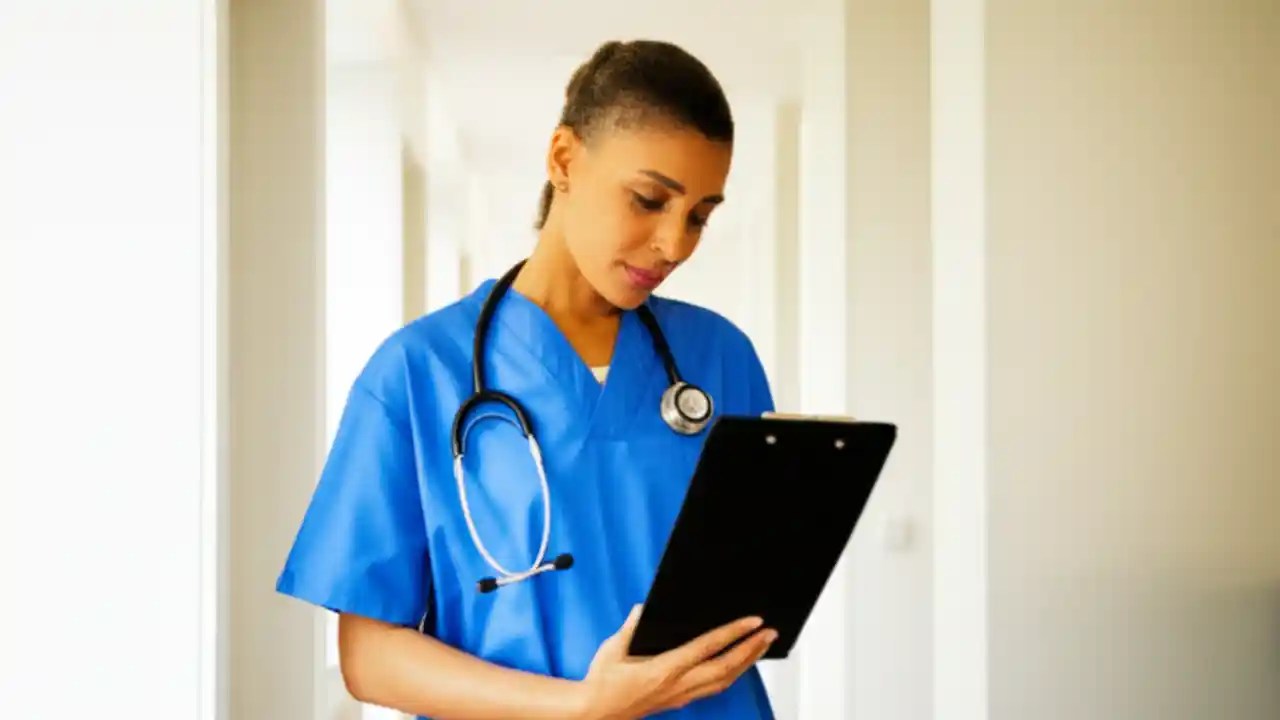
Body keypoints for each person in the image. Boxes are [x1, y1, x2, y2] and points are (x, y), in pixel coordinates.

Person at [277, 39, 778, 719]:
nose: (675, 243)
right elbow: (370, 657)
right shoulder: (418, 374)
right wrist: (581, 708)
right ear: (564, 159)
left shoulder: (720, 358)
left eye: (700, 215)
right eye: (648, 199)